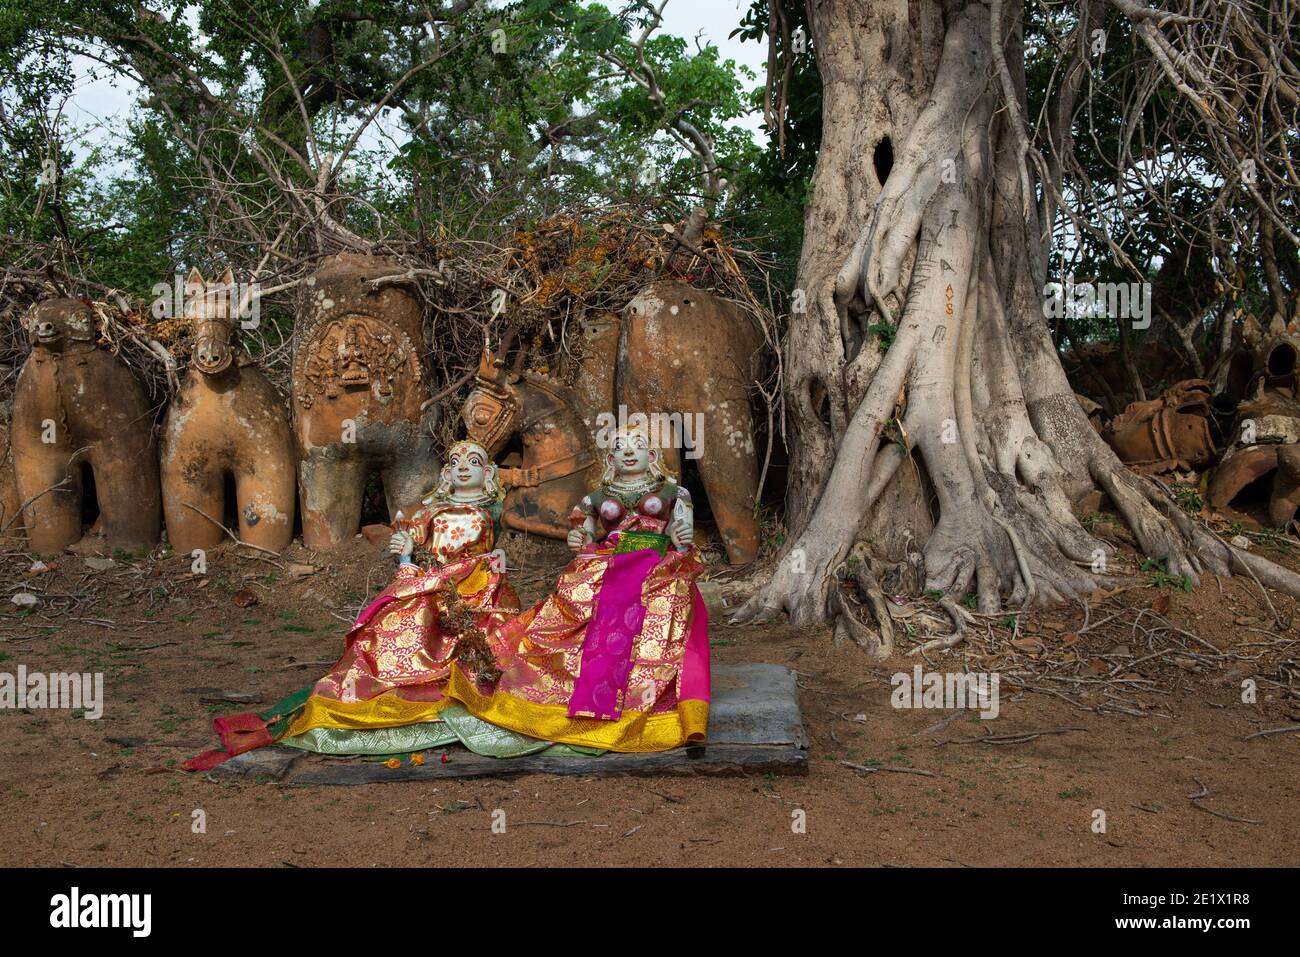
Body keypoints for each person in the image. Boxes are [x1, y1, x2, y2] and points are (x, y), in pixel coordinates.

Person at [184, 440, 520, 769]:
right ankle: (390, 679)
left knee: (483, 636)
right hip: (433, 579)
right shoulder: (429, 511)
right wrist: (405, 554)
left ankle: (445, 677)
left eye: (473, 462)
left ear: (488, 473)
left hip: (476, 583)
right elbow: (410, 543)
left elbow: (515, 534)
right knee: (403, 617)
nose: (464, 467)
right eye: (457, 463)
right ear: (446, 474)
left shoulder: (496, 510)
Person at [447, 423, 710, 752]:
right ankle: (549, 686)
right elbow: (584, 534)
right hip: (609, 561)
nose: (628, 451)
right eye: (620, 447)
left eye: (637, 445)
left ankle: (637, 697)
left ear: (652, 455)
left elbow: (682, 527)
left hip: (655, 564)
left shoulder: (674, 492)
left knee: (661, 606)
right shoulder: (596, 498)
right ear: (610, 459)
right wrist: (580, 539)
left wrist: (681, 537)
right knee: (572, 604)